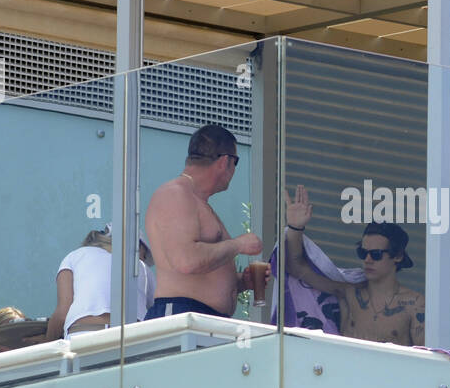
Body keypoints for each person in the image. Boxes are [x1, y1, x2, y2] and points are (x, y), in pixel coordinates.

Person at [144, 124, 263, 319]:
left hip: (202, 317)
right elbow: (186, 261)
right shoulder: (175, 194)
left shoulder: (197, 202)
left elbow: (202, 273)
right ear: (225, 161)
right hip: (182, 313)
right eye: (236, 163)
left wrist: (240, 283)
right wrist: (238, 244)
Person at [282, 185, 425, 346]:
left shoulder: (415, 303)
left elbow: (425, 359)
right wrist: (295, 227)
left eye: (376, 254)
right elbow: (296, 269)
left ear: (398, 256)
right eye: (363, 253)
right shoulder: (349, 294)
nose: (368, 259)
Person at [44, 225, 155, 340]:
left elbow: (62, 315)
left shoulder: (75, 256)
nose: (143, 259)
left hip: (84, 336)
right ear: (135, 247)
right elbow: (157, 317)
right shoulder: (141, 267)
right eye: (144, 254)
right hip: (132, 337)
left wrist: (46, 346)